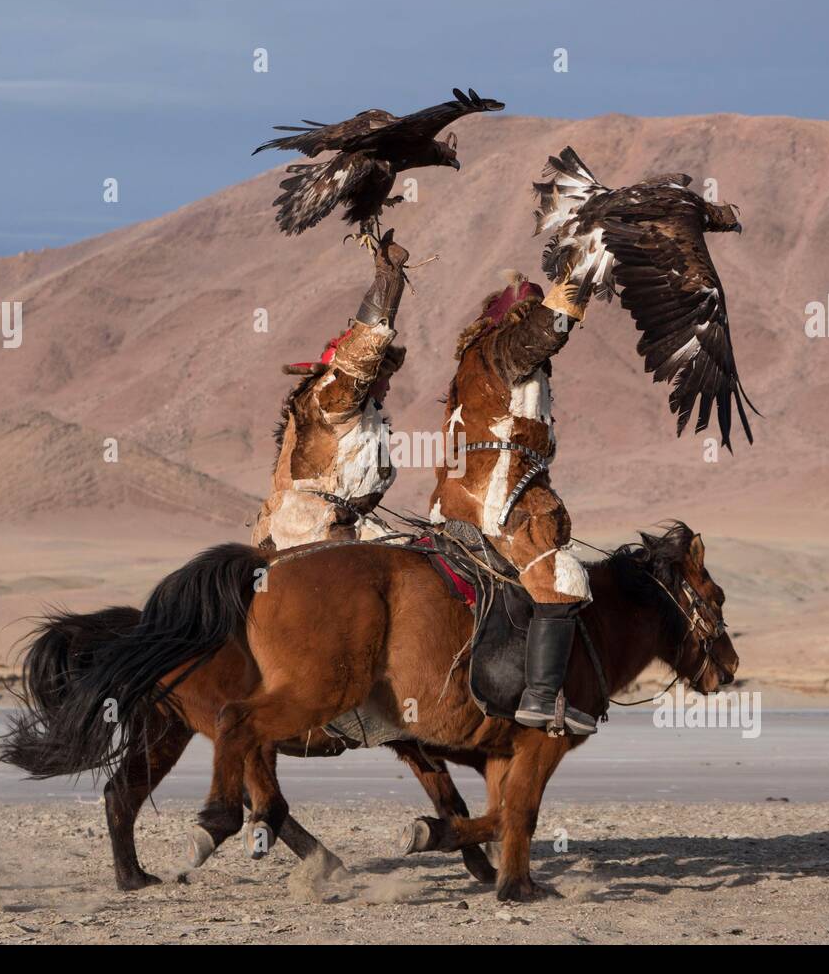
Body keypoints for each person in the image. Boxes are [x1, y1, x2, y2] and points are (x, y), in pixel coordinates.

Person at [428, 270, 597, 734]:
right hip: (495, 498)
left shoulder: (481, 363)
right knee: (562, 577)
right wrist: (582, 272)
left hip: (464, 496)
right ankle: (541, 699)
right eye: (528, 316)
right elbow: (544, 333)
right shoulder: (502, 351)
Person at [252, 231, 409, 550]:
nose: (389, 386)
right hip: (304, 533)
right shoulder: (327, 402)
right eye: (383, 376)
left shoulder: (349, 417)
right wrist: (387, 284)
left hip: (337, 529)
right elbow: (358, 360)